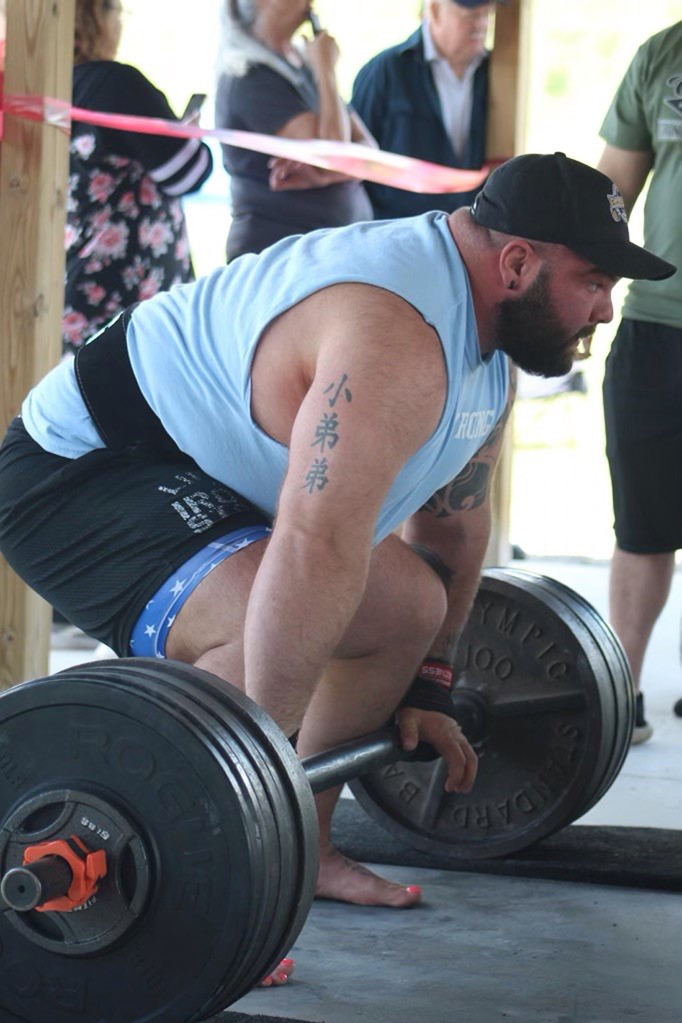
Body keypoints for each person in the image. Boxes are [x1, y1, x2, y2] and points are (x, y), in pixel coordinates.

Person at [0, 154, 674, 919]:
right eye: (594, 282)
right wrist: (257, 779)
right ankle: (144, 865)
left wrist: (431, 681)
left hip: (214, 480)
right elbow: (316, 547)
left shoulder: (486, 354)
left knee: (406, 608)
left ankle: (306, 856)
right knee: (268, 636)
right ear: (517, 263)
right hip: (84, 470)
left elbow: (451, 527)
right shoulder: (396, 336)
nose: (606, 311)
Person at [597, 22, 682, 743]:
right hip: (656, 327)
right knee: (643, 526)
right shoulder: (663, 54)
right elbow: (611, 193)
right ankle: (620, 692)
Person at [63, 0, 213, 355]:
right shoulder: (117, 84)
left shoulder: (46, 89)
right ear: (97, 16)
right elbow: (187, 173)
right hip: (129, 302)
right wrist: (188, 138)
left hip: (70, 290)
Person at [215, 0, 375, 261]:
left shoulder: (299, 62)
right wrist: (326, 71)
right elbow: (335, 154)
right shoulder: (251, 77)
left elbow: (369, 150)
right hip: (283, 257)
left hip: (324, 252)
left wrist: (326, 176)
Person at [351, 0, 493, 220]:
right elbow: (354, 164)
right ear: (435, 10)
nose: (481, 25)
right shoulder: (384, 72)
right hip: (395, 234)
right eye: (470, 15)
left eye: (487, 14)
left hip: (468, 238)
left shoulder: (498, 75)